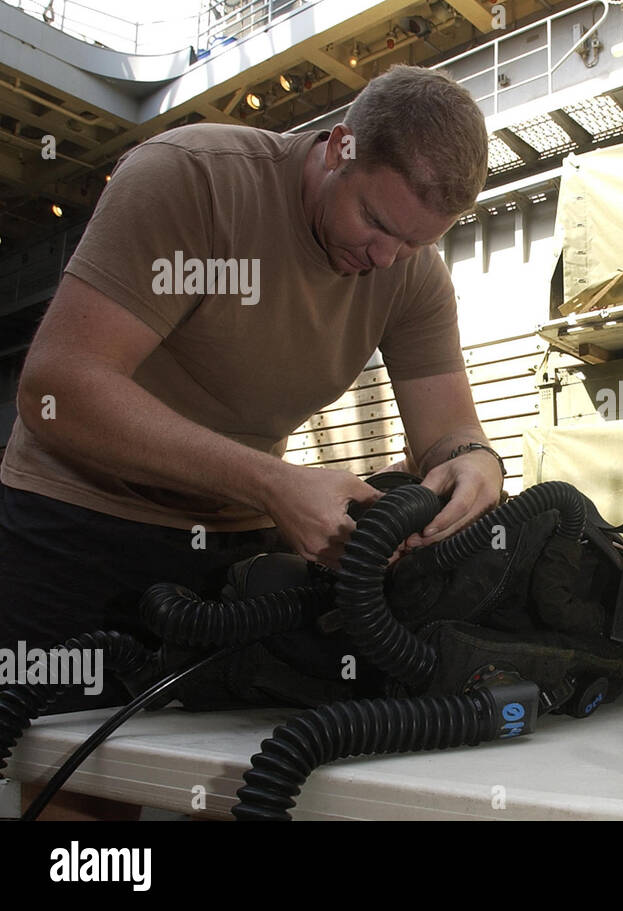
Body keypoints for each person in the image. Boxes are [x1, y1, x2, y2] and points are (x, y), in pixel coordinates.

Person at [0, 65, 504, 686]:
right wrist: (273, 483)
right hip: (77, 529)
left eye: (413, 242)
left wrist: (476, 460)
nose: (384, 258)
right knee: (50, 761)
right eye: (375, 221)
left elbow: (449, 430)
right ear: (340, 145)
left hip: (239, 549)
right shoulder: (192, 179)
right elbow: (56, 389)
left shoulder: (410, 271)